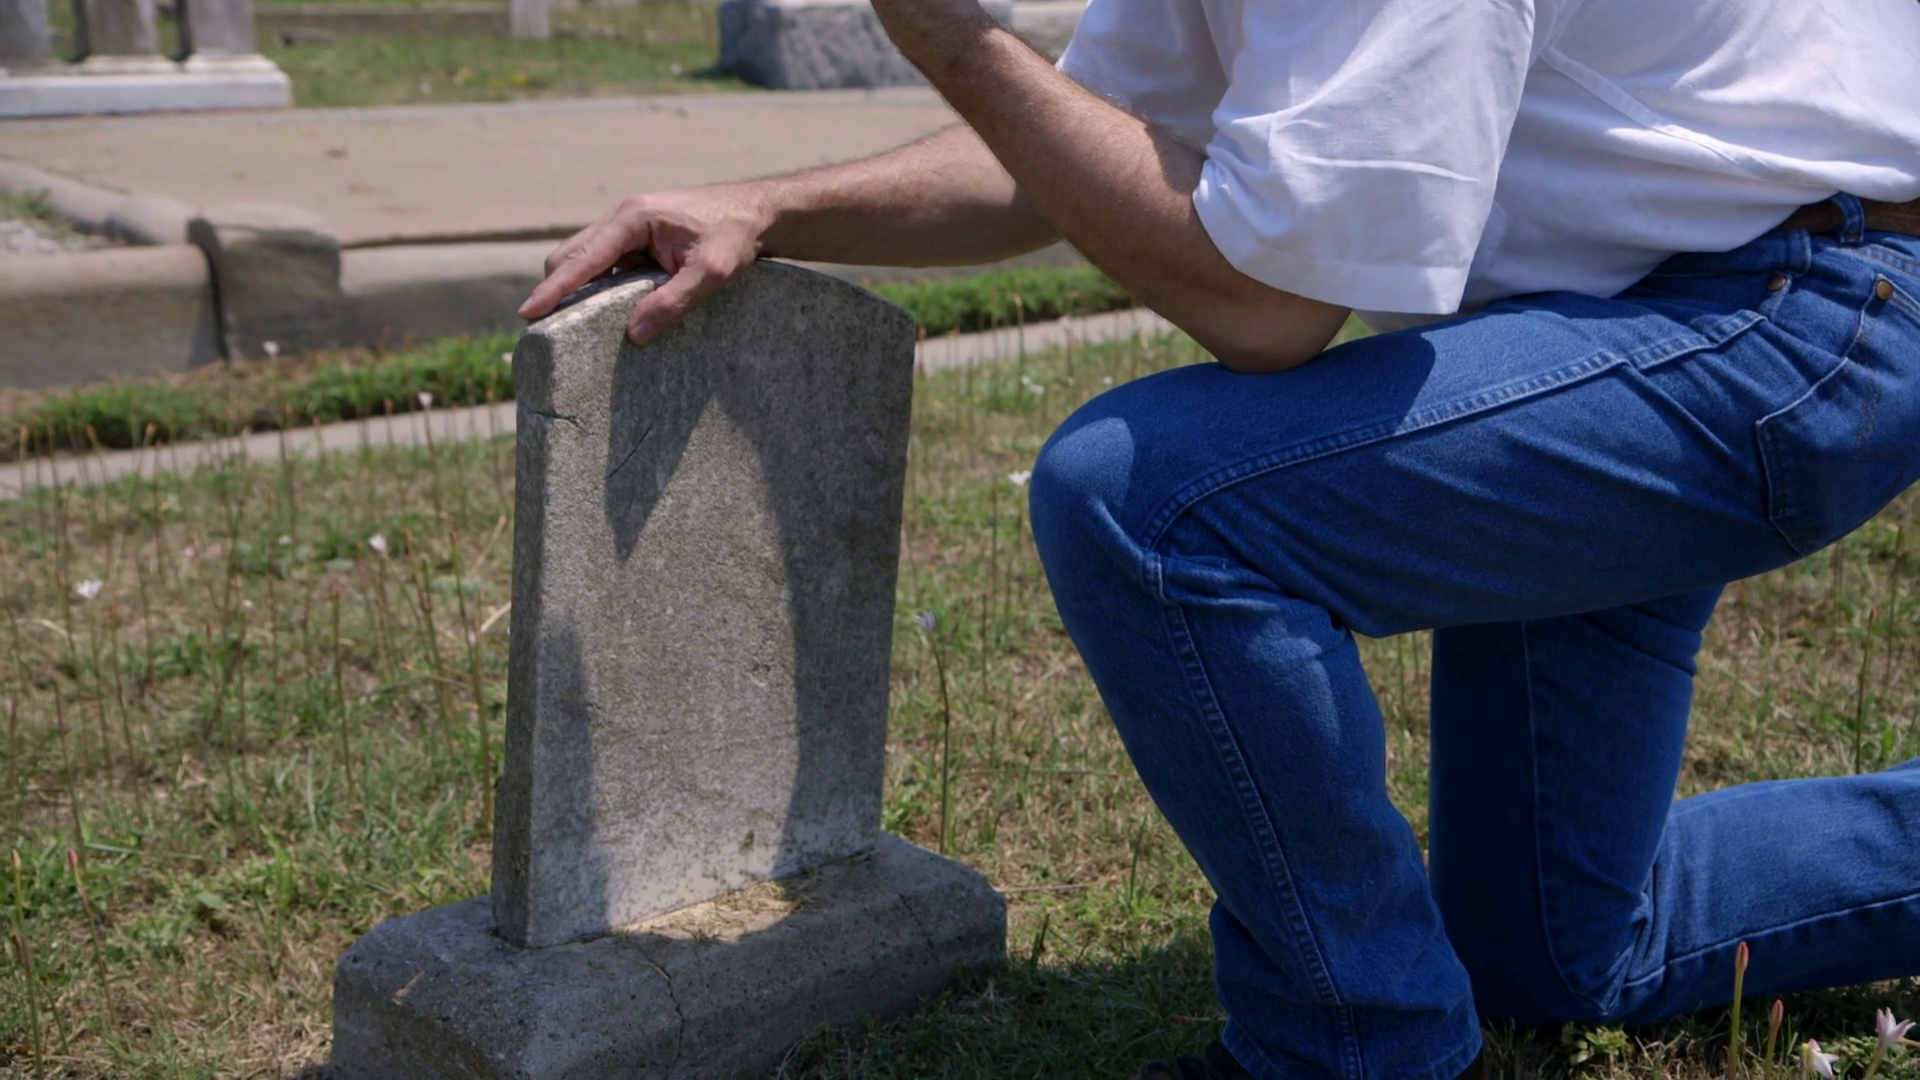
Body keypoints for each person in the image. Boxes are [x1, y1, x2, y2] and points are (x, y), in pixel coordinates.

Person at [517, 0, 1920, 1073]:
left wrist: (952, 38)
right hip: (1618, 317)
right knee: (1549, 954)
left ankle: (1351, 1048)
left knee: (1154, 500)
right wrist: (774, 203)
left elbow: (1267, 308)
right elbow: (1069, 144)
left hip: (1795, 314)